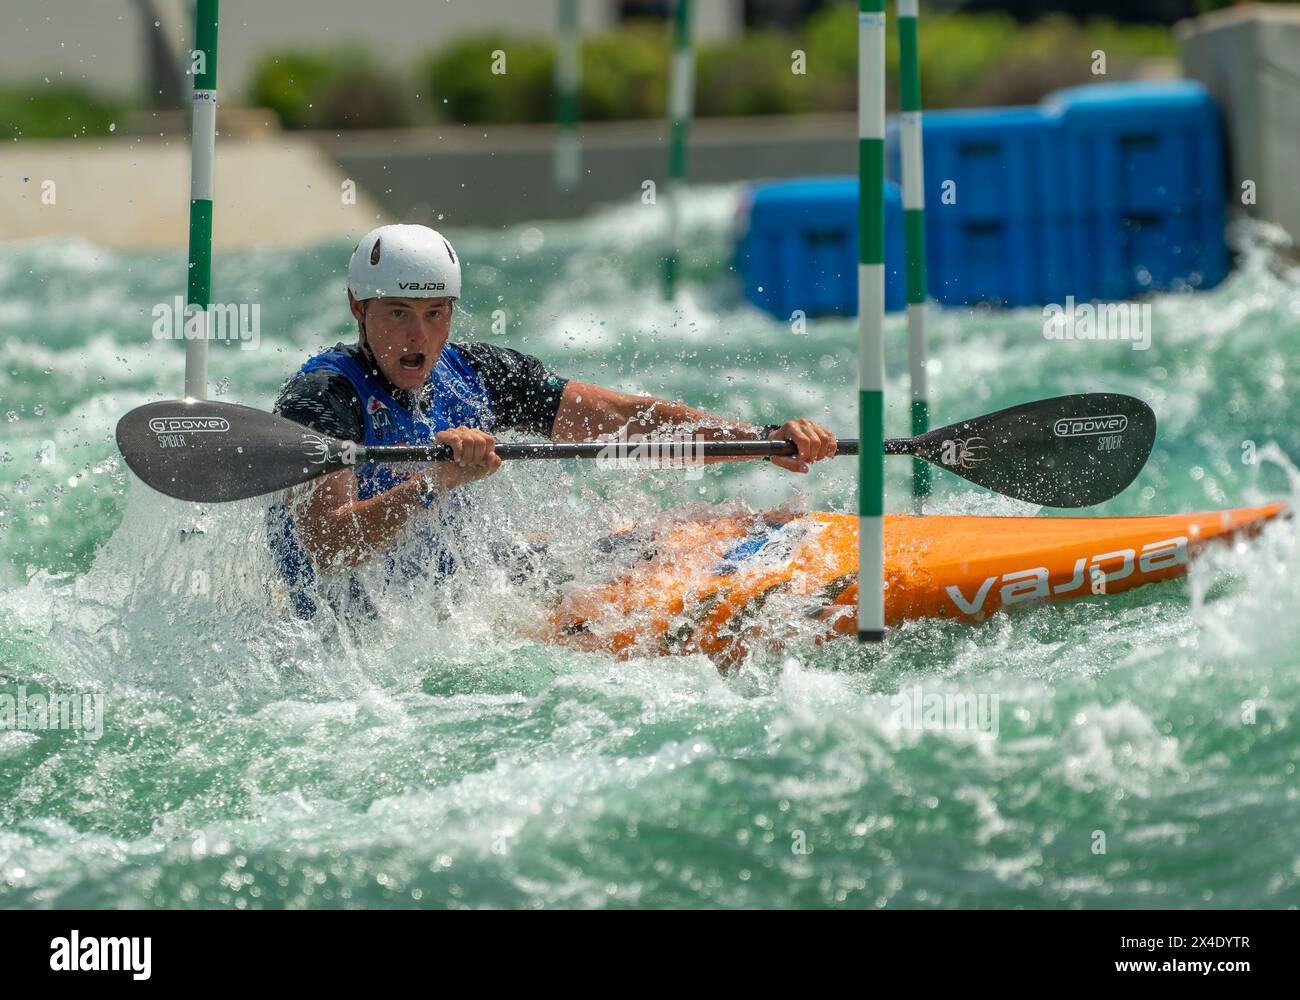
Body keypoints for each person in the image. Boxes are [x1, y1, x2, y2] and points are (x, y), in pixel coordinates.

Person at [268, 223, 837, 619]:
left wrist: (758, 442)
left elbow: (622, 421)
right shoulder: (322, 397)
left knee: (671, 536)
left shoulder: (475, 372)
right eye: (399, 315)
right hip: (351, 636)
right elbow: (327, 544)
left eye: (435, 315)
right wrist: (436, 483)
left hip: (451, 598)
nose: (420, 337)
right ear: (357, 308)